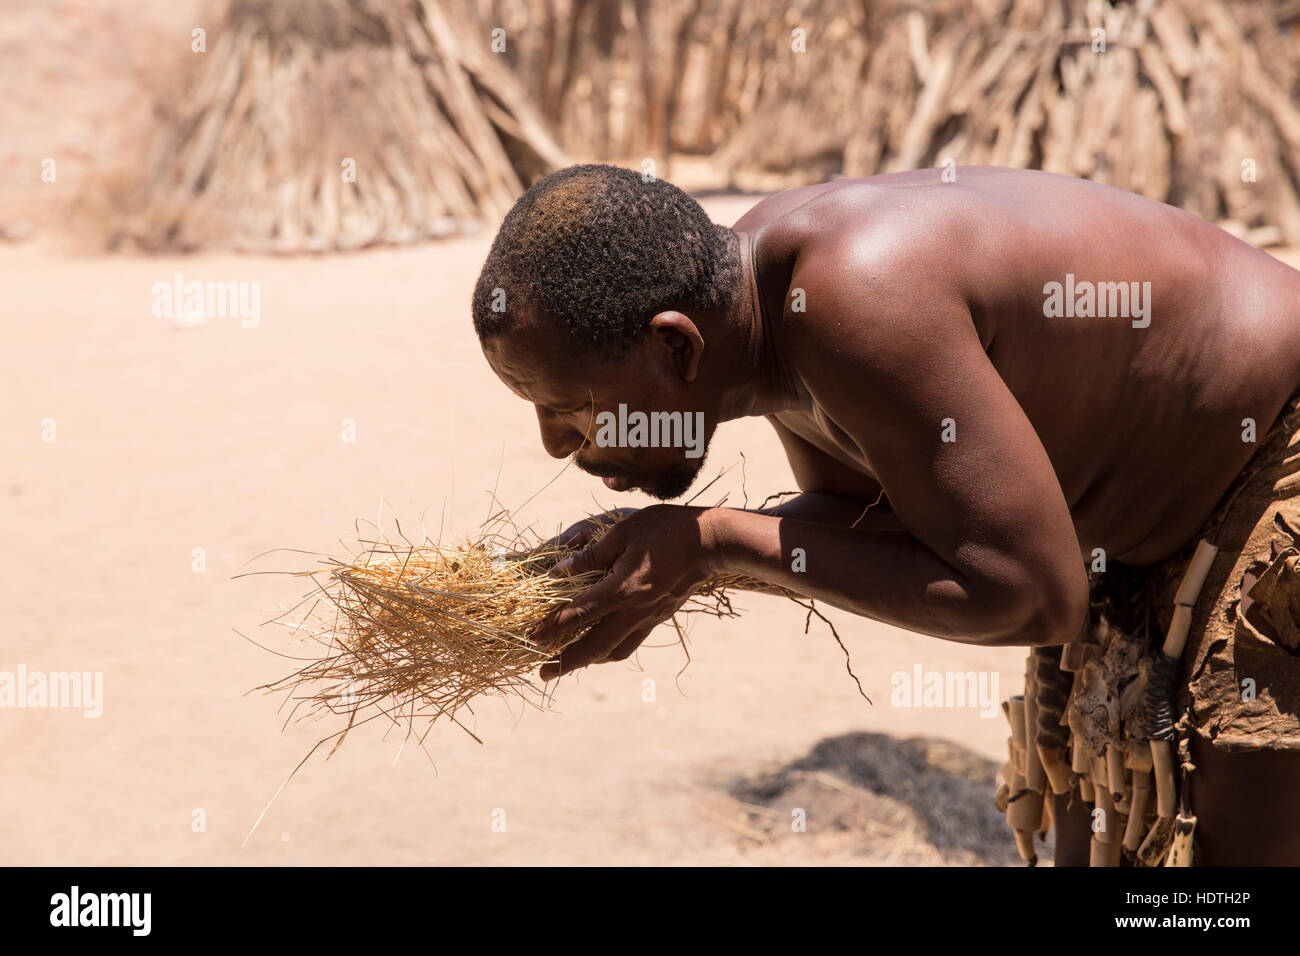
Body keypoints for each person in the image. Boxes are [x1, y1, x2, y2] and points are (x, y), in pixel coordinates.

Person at [471, 163, 1300, 865]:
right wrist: (670, 559)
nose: (554, 443)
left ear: (675, 347)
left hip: (1273, 453)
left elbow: (1030, 597)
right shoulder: (760, 301)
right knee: (1099, 835)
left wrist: (715, 540)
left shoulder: (855, 295)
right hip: (1128, 523)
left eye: (569, 405)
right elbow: (869, 516)